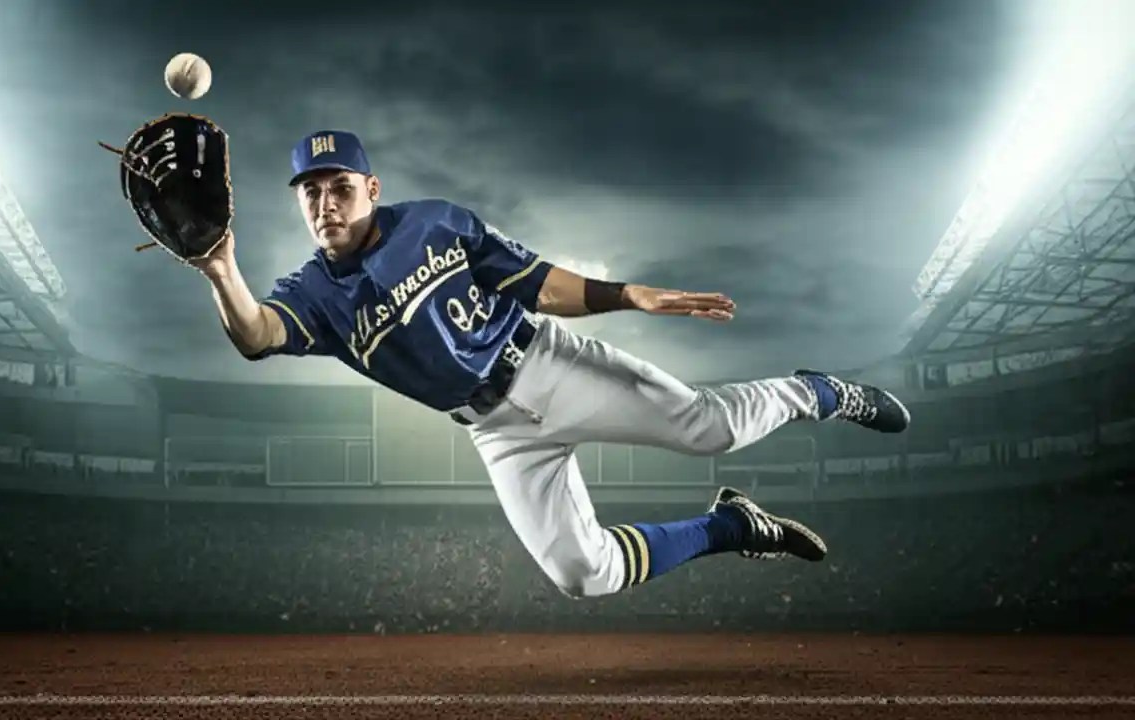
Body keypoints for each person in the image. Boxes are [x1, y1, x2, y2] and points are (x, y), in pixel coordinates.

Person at [188, 130, 910, 598]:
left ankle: (818, 390)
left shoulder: (436, 221)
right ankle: (732, 528)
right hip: (495, 428)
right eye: (309, 192)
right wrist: (220, 269)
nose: (324, 203)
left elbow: (537, 283)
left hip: (546, 363)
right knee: (582, 574)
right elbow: (256, 335)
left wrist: (632, 296)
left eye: (338, 185)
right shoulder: (310, 294)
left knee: (711, 429)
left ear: (372, 189)